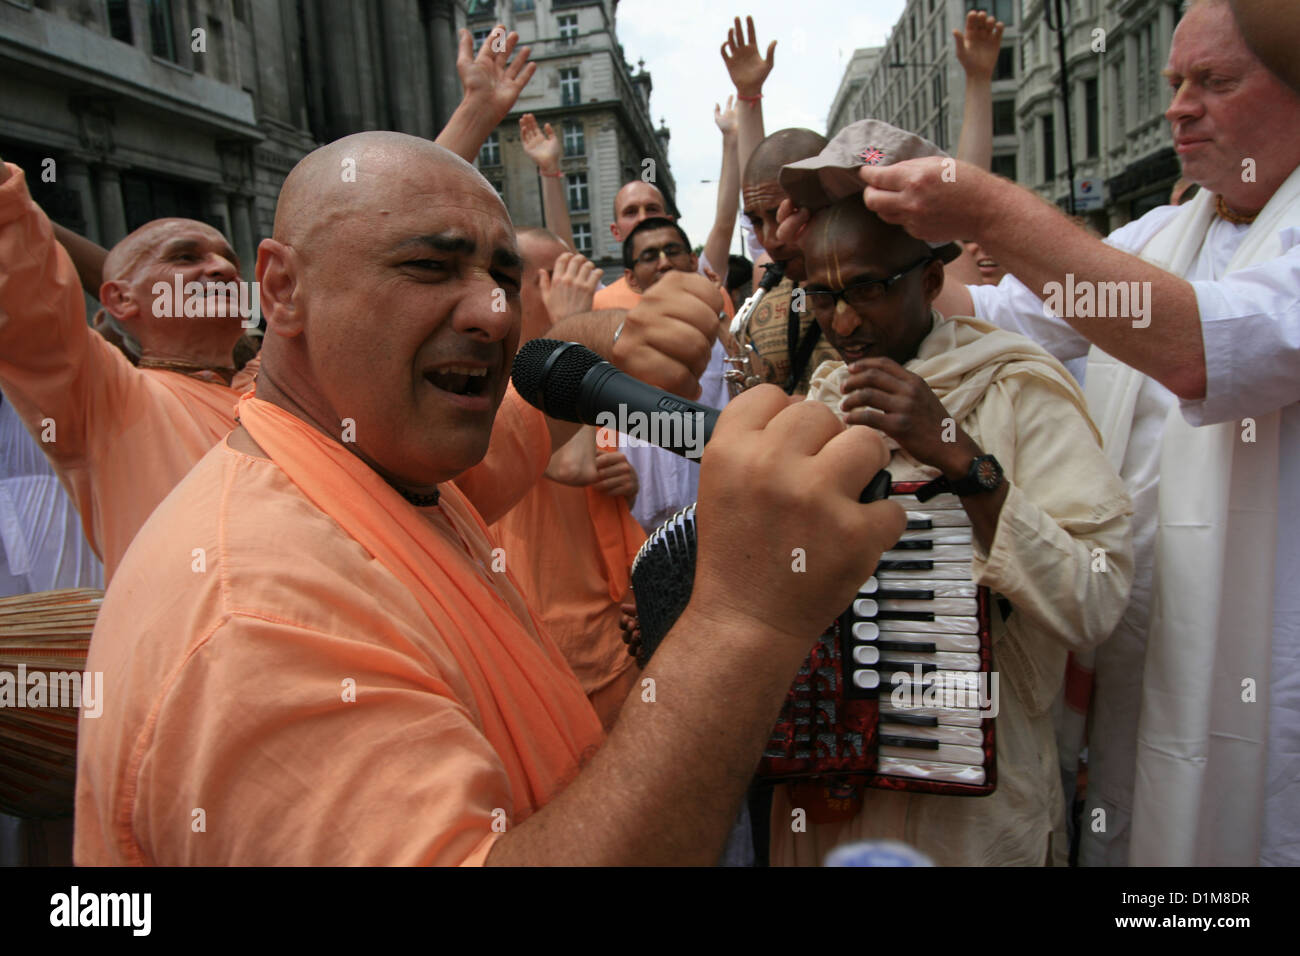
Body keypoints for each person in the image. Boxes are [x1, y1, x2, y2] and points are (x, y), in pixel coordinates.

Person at [73, 130, 907, 866]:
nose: (494, 312)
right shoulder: (256, 611)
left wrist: (610, 339)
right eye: (428, 267)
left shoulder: (383, 466)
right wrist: (744, 623)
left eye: (504, 275)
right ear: (283, 289)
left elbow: (530, 412)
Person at [828, 0, 1300, 865]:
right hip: (1139, 662)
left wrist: (986, 211)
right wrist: (852, 261)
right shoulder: (1165, 234)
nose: (1178, 108)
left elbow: (1201, 345)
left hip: (1267, 667)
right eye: (1173, 83)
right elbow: (1007, 310)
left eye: (1216, 82)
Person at [0, 24, 539, 581]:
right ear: (118, 298)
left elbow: (379, 234)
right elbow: (24, 292)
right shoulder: (105, 398)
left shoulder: (280, 386)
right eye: (185, 257)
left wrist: (475, 111)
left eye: (226, 256)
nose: (219, 268)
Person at [766, 122, 1132, 866]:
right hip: (832, 804)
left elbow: (1097, 600)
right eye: (821, 296)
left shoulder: (1019, 388)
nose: (841, 322)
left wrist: (961, 460)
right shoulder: (811, 409)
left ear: (930, 279)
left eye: (866, 288)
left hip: (979, 816)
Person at [726, 12, 1005, 394]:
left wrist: (977, 82)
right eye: (757, 223)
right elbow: (763, 181)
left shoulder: (911, 264)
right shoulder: (769, 275)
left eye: (867, 289)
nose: (774, 236)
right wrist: (748, 99)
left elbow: (966, 200)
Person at [492, 228, 645, 731]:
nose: (576, 286)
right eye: (558, 276)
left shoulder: (568, 367)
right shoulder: (493, 382)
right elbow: (574, 466)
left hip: (609, 634)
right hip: (546, 646)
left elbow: (595, 471)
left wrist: (625, 480)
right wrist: (570, 328)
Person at [615, 217, 732, 534]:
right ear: (631, 277)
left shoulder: (721, 328)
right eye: (650, 256)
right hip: (645, 524)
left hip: (719, 514)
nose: (664, 263)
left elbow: (753, 386)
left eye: (672, 251)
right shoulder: (614, 341)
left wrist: (717, 315)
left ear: (693, 260)